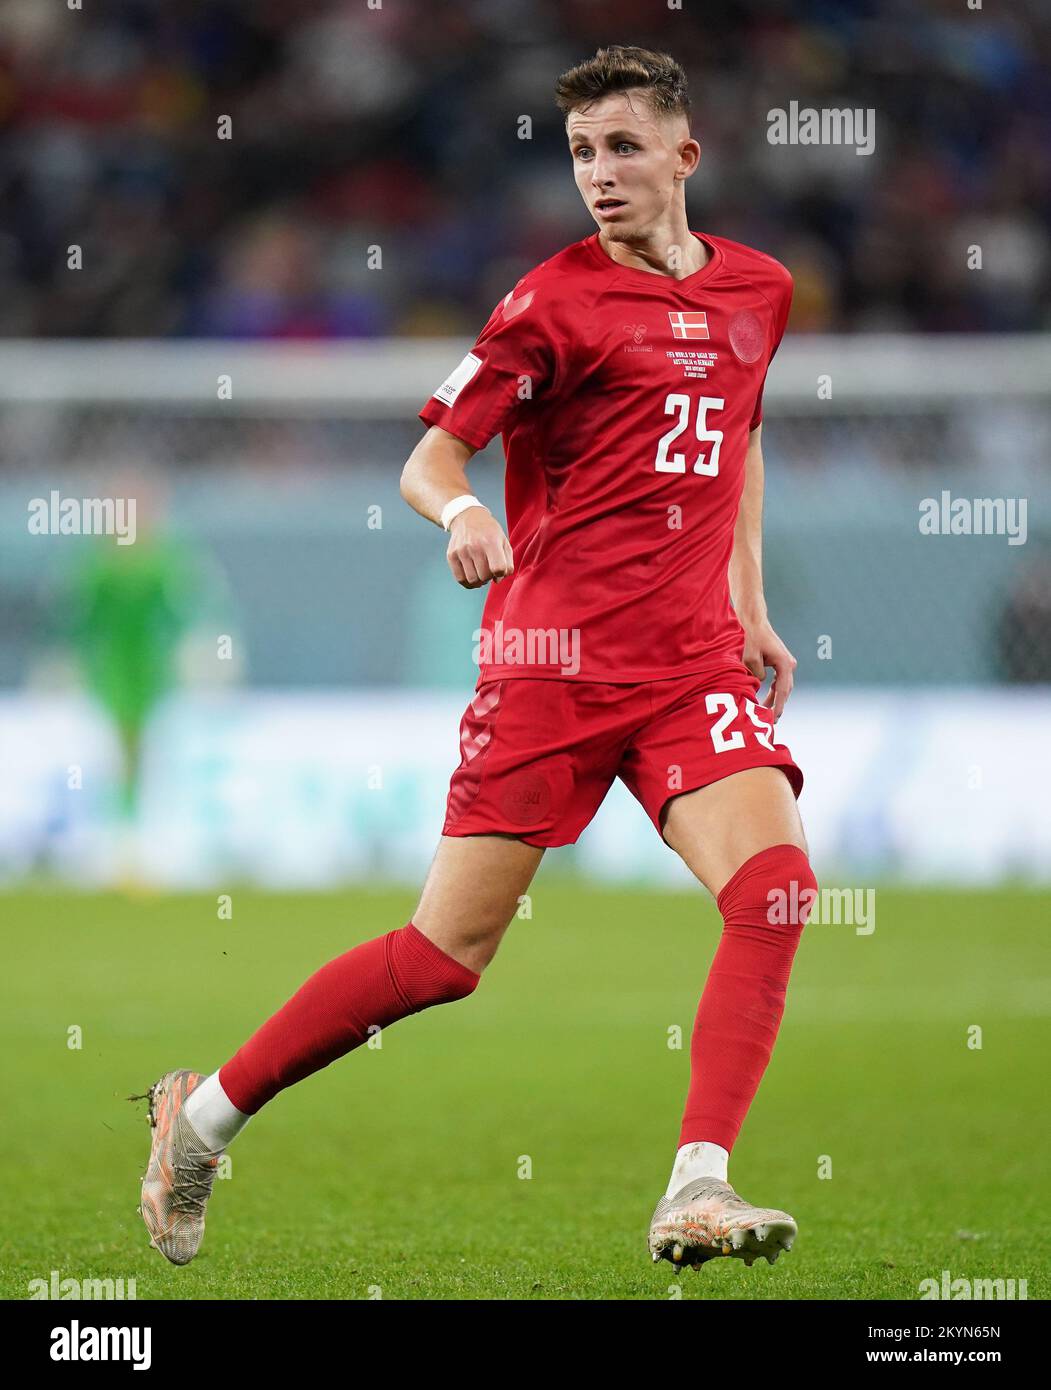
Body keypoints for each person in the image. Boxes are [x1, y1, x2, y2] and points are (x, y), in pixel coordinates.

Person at [135, 44, 817, 1275]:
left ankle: (695, 1187)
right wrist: (460, 513)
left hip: (690, 667)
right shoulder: (550, 302)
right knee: (443, 960)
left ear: (683, 154)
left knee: (772, 891)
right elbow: (432, 457)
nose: (598, 175)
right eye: (579, 154)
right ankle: (198, 1119)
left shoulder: (758, 290)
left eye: (620, 147)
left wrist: (750, 606)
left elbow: (739, 438)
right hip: (549, 666)